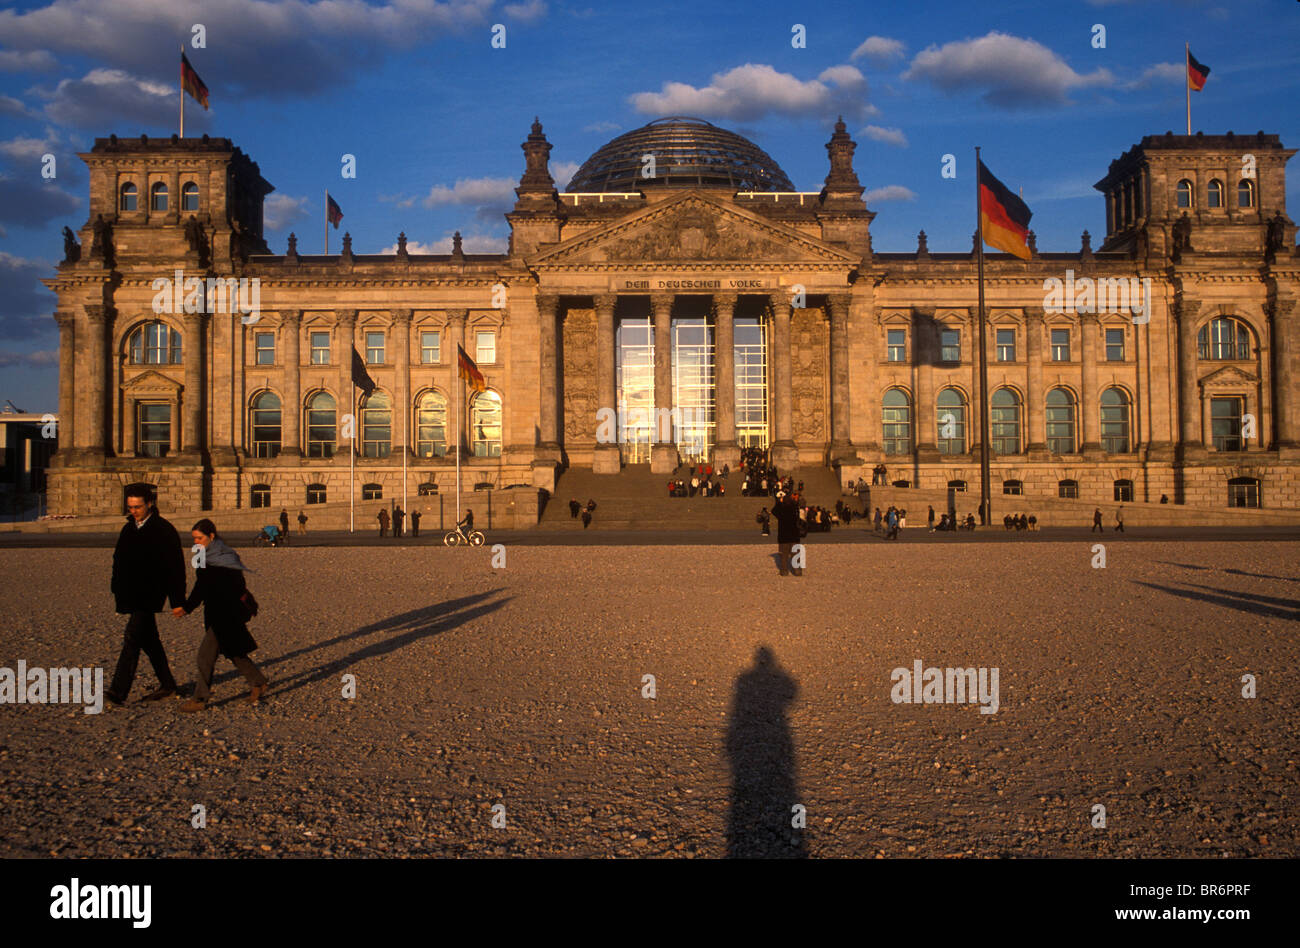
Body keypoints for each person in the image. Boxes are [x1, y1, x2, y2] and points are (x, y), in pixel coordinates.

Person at [175, 520, 269, 712]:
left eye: (199, 538)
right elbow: (200, 584)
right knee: (233, 651)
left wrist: (187, 607)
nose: (196, 542)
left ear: (211, 537)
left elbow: (225, 585)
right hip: (216, 611)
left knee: (205, 657)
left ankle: (200, 699)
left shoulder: (226, 556)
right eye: (194, 539)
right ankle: (258, 682)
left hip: (226, 613)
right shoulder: (201, 556)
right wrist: (189, 606)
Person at [107, 485, 186, 705]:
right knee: (149, 640)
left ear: (150, 503)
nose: (133, 511)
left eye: (138, 507)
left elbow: (175, 568)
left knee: (132, 638)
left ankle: (117, 691)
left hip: (150, 593)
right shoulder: (129, 528)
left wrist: (178, 601)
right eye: (130, 507)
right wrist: (116, 587)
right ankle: (167, 684)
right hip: (131, 593)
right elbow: (118, 560)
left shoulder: (163, 529)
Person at [771, 494, 803, 576]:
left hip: (783, 536)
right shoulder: (794, 508)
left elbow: (773, 511)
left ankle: (784, 571)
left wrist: (779, 502)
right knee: (796, 555)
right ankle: (797, 571)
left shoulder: (781, 509)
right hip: (794, 535)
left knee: (784, 556)